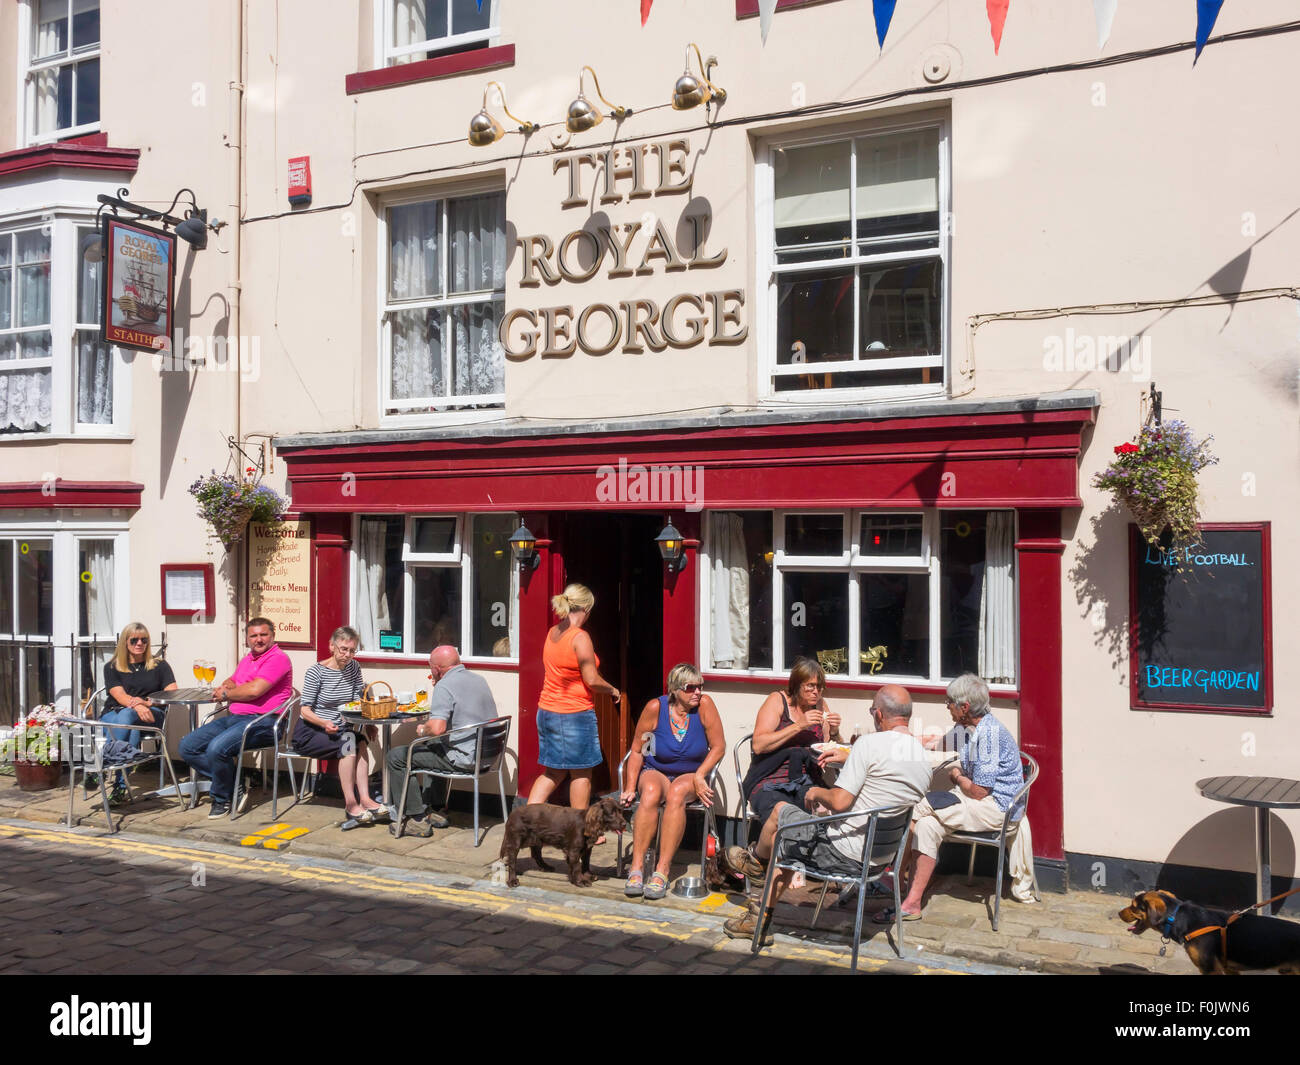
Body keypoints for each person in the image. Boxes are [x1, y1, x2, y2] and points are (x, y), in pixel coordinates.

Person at [723, 684, 929, 944]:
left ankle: (755, 874)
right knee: (788, 833)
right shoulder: (920, 754)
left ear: (878, 715)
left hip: (842, 851)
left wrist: (816, 794)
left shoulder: (869, 744)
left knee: (780, 820)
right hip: (880, 857)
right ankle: (756, 877)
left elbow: (839, 802)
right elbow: (886, 774)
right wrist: (848, 759)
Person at [891, 672, 1026, 922]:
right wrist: (899, 741)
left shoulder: (989, 735)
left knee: (914, 808)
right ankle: (912, 902)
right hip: (975, 802)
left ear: (964, 707)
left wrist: (956, 776)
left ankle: (895, 880)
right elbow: (938, 743)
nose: (947, 708)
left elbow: (978, 791)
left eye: (949, 703)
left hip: (995, 808)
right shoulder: (967, 728)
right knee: (928, 826)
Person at [620, 663, 726, 900]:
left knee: (677, 793)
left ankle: (662, 870)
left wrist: (700, 775)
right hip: (656, 768)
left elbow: (719, 747)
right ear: (675, 690)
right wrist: (629, 786)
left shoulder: (705, 707)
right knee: (649, 791)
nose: (697, 692)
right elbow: (639, 750)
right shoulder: (655, 708)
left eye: (700, 686)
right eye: (691, 688)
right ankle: (636, 868)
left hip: (691, 773)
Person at [179, 617, 294, 819]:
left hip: (264, 722)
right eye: (254, 636)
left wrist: (225, 695)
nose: (258, 639)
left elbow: (254, 691)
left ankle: (222, 799)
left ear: (273, 636)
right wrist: (226, 686)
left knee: (216, 748)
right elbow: (233, 680)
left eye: (263, 634)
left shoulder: (278, 658)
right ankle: (235, 781)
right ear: (247, 639)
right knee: (187, 746)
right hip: (235, 717)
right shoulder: (248, 659)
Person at [385, 645, 499, 837]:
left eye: (430, 667)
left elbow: (437, 728)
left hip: (466, 759)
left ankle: (416, 820)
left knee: (396, 757)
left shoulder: (445, 685)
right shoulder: (479, 679)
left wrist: (422, 729)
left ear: (436, 669)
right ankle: (435, 809)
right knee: (433, 746)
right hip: (489, 756)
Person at [526, 583, 620, 815]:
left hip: (546, 711)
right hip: (573, 715)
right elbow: (591, 680)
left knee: (553, 772)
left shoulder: (554, 632)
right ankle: (582, 830)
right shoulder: (580, 637)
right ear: (587, 608)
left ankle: (525, 823)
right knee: (581, 773)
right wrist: (613, 690)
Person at [292, 625, 387, 829]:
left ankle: (365, 799)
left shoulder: (354, 667)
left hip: (339, 730)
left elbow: (357, 699)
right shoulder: (316, 672)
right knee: (350, 744)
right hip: (310, 731)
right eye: (343, 649)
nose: (347, 654)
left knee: (359, 742)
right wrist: (324, 722)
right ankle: (351, 804)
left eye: (352, 650)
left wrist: (368, 724)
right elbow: (305, 710)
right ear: (332, 647)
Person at [740, 657, 843, 827]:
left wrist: (834, 731)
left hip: (807, 779)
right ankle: (767, 852)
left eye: (819, 687)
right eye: (810, 686)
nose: (816, 692)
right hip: (771, 779)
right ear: (796, 685)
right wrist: (799, 725)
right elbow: (759, 745)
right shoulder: (777, 700)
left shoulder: (820, 705)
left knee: (830, 809)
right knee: (785, 815)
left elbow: (826, 745)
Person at [96, 623, 179, 801]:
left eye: (144, 640)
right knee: (130, 726)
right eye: (134, 640)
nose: (140, 643)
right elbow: (119, 695)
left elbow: (172, 692)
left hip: (151, 715)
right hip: (115, 712)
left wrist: (147, 703)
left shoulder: (159, 665)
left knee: (127, 716)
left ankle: (102, 766)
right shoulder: (112, 667)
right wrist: (137, 705)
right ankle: (120, 786)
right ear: (125, 642)